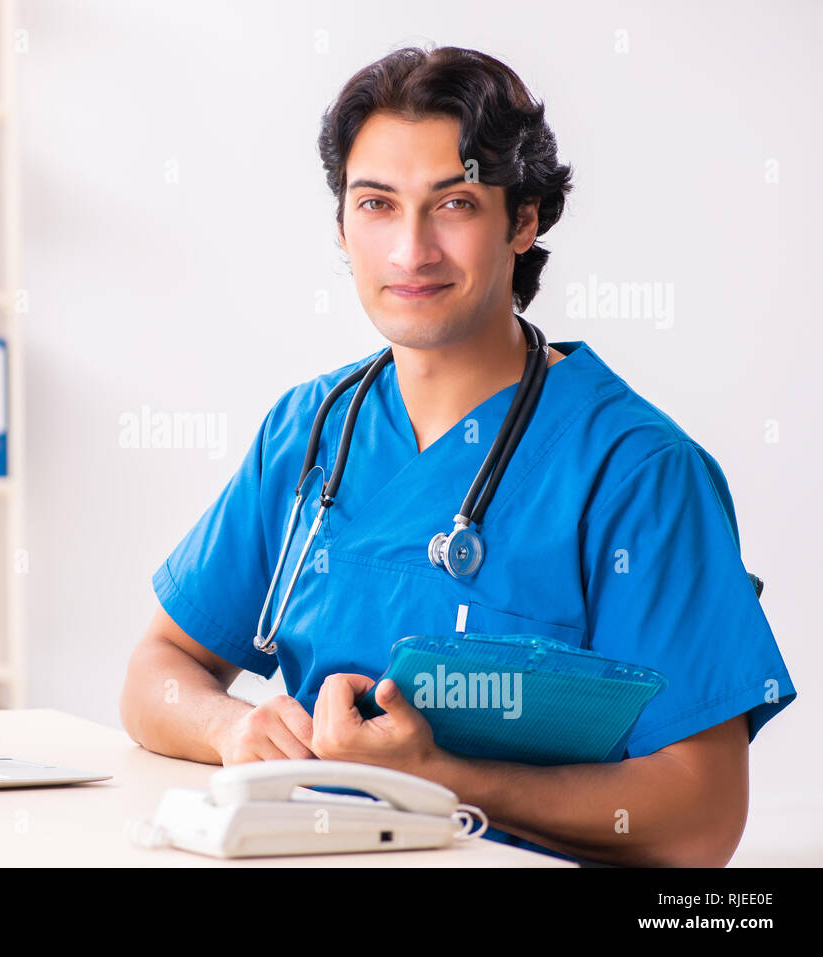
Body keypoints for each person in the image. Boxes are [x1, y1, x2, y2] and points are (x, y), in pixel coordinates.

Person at [118, 45, 796, 867]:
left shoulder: (638, 474)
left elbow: (702, 817)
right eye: (376, 204)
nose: (411, 251)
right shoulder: (310, 430)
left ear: (524, 218)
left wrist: (443, 778)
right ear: (341, 224)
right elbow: (156, 671)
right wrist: (235, 726)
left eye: (455, 204)